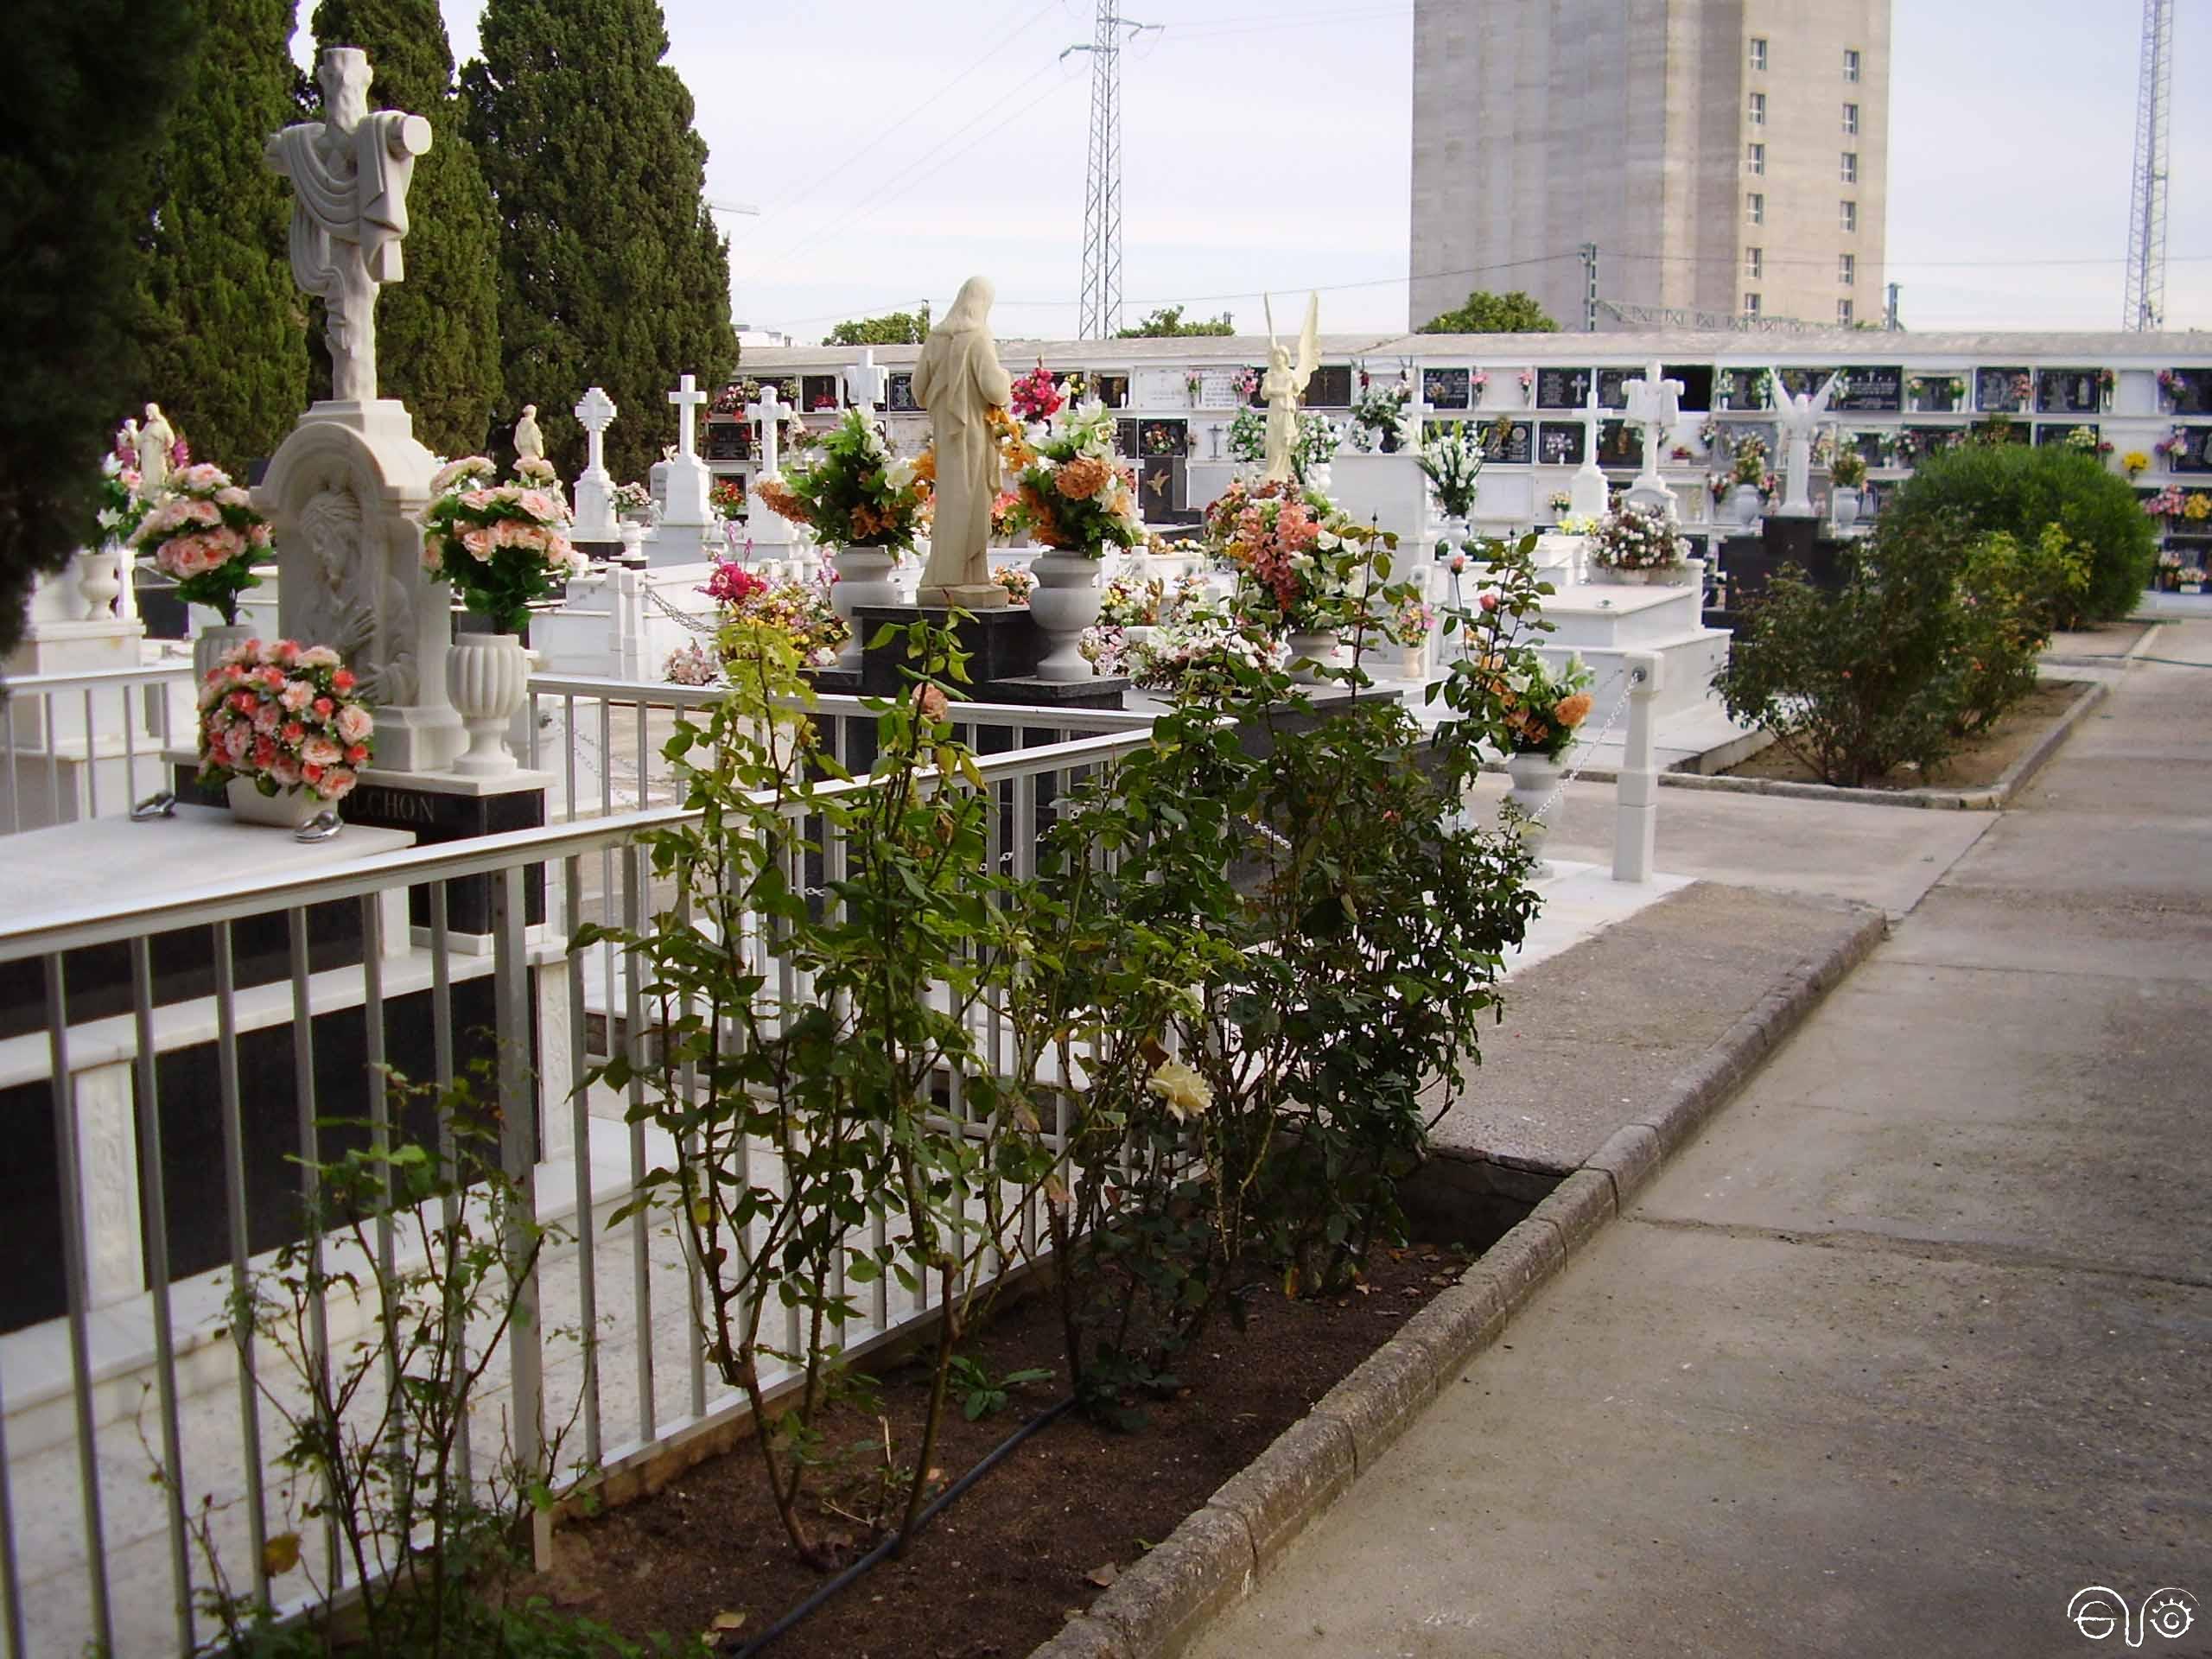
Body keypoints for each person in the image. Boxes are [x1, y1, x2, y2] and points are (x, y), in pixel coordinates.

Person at [911, 276, 1014, 606]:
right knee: (970, 500)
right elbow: (994, 388)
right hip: (972, 435)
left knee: (951, 502)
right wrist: (1007, 379)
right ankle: (963, 574)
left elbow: (917, 389)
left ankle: (953, 573)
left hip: (946, 432)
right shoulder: (978, 336)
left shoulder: (935, 337)